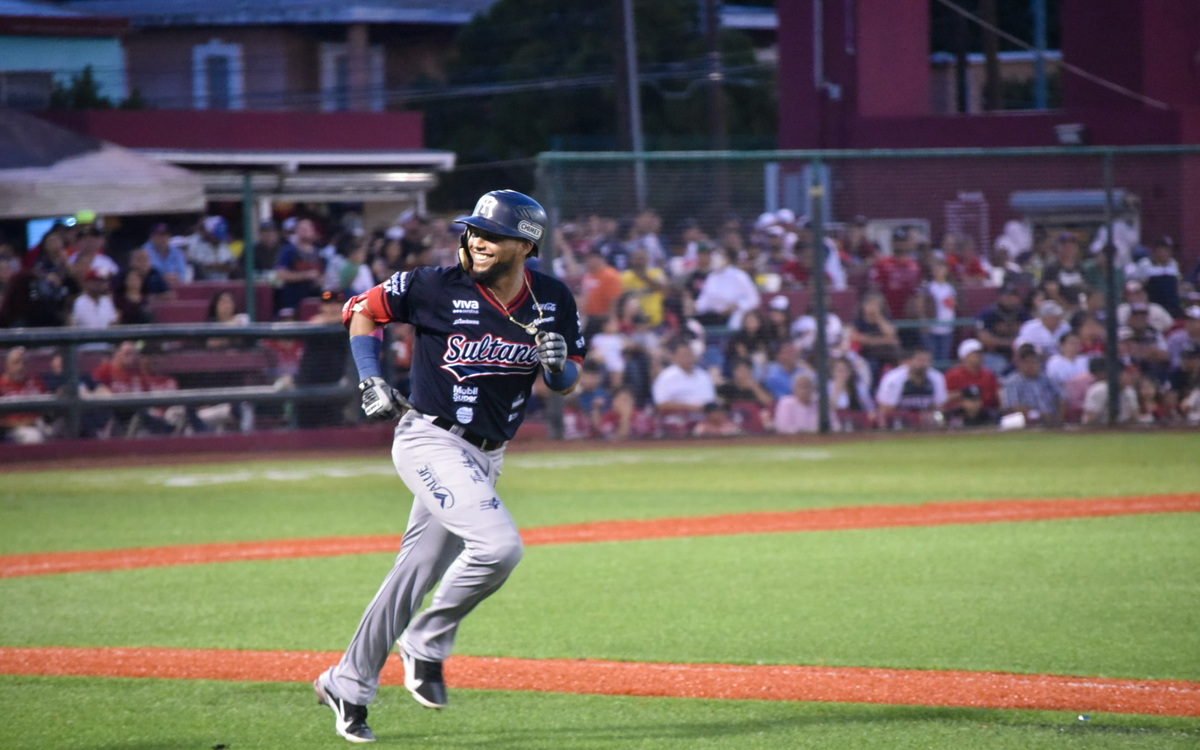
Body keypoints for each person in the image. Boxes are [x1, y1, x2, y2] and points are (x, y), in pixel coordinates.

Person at [313, 190, 585, 743]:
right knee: (500, 547)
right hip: (430, 439)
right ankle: (427, 643)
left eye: (492, 234)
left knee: (413, 576)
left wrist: (558, 368)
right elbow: (360, 311)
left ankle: (348, 681)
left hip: (488, 454)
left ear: (525, 245)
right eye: (474, 230)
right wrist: (371, 380)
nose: (477, 240)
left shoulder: (553, 297)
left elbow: (564, 380)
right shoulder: (432, 284)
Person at [874, 347, 947, 428]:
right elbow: (886, 409)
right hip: (899, 421)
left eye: (927, 361)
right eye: (920, 360)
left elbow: (939, 405)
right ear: (908, 362)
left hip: (926, 421)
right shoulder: (894, 378)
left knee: (938, 416)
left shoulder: (936, 377)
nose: (923, 364)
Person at [692, 246, 760, 330]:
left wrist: (737, 306)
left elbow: (754, 300)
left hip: (733, 316)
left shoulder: (740, 276)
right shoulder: (712, 277)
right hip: (713, 316)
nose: (716, 259)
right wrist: (695, 306)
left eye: (720, 256)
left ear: (728, 259)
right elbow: (703, 300)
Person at [0, 346, 54, 444]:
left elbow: (49, 406)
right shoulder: (1, 384)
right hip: (14, 429)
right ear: (7, 365)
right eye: (16, 362)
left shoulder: (35, 381)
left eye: (24, 363)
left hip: (39, 424)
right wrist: (18, 424)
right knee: (34, 438)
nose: (20, 367)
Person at [1000, 343, 1064, 425]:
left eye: (1034, 361)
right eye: (1026, 362)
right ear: (1020, 364)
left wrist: (1058, 417)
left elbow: (1062, 398)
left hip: (1052, 421)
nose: (1030, 365)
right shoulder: (1012, 382)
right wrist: (1039, 415)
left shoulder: (1048, 379)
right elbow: (1013, 407)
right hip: (1025, 424)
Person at [974, 283, 1029, 376]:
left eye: (1013, 296)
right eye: (1007, 296)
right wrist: (1008, 342)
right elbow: (983, 338)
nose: (1010, 299)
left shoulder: (1022, 313)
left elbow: (1032, 334)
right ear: (1000, 297)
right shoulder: (988, 313)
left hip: (1020, 354)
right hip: (995, 354)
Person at [274, 218, 325, 315]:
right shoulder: (288, 251)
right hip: (293, 299)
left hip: (316, 299)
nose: (305, 232)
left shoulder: (319, 253)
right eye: (302, 229)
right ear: (296, 232)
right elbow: (281, 274)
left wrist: (321, 280)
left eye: (308, 229)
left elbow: (324, 275)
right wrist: (305, 275)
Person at [943, 338, 1000, 416]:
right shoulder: (953, 375)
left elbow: (996, 394)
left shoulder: (989, 375)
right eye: (975, 354)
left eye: (981, 353)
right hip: (958, 414)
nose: (979, 356)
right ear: (964, 356)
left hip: (986, 413)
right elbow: (946, 398)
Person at [186, 215, 238, 280]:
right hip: (201, 286)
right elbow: (192, 266)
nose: (218, 239)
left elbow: (233, 265)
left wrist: (219, 267)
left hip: (223, 285)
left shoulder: (224, 244)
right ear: (208, 232)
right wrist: (215, 267)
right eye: (215, 235)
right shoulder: (193, 242)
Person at [144, 223, 193, 287]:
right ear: (152, 236)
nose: (163, 238)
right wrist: (162, 279)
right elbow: (147, 276)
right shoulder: (144, 252)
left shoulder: (177, 252)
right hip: (152, 290)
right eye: (159, 235)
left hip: (175, 288)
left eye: (165, 235)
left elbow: (182, 273)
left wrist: (177, 278)